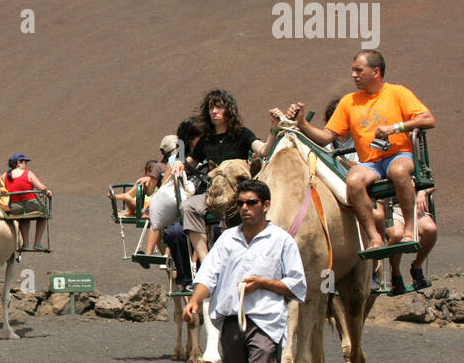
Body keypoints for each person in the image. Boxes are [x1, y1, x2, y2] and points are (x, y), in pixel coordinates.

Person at [182, 179, 306, 363]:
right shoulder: (227, 240)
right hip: (230, 323)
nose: (245, 209)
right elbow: (208, 273)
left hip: (265, 324)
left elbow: (297, 284)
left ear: (265, 205)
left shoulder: (282, 241)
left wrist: (263, 283)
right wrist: (195, 301)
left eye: (251, 203)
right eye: (240, 204)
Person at [289, 51, 435, 254]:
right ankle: (374, 237)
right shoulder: (349, 102)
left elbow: (428, 119)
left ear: (376, 71)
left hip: (399, 154)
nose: (353, 75)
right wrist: (302, 124)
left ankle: (410, 229)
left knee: (399, 171)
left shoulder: (397, 93)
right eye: (353, 71)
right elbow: (326, 137)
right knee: (354, 180)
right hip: (371, 163)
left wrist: (396, 127)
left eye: (359, 70)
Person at [175, 91, 282, 266]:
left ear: (228, 110)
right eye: (211, 108)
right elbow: (189, 163)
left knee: (235, 206)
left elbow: (263, 150)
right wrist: (180, 163)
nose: (214, 111)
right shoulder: (206, 141)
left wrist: (273, 129)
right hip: (214, 192)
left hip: (238, 192)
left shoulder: (242, 134)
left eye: (219, 107)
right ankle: (206, 261)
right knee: (188, 207)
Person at [143, 117, 205, 259]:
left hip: (198, 206)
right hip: (182, 208)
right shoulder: (176, 160)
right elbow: (166, 186)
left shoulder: (209, 153)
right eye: (200, 135)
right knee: (174, 231)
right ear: (190, 138)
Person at [1, 153, 52, 250]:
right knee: (44, 214)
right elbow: (41, 187)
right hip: (30, 204)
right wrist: (47, 191)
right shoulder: (28, 174)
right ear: (19, 163)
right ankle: (37, 243)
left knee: (23, 218)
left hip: (14, 207)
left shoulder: (5, 176)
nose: (26, 165)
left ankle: (25, 243)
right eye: (25, 162)